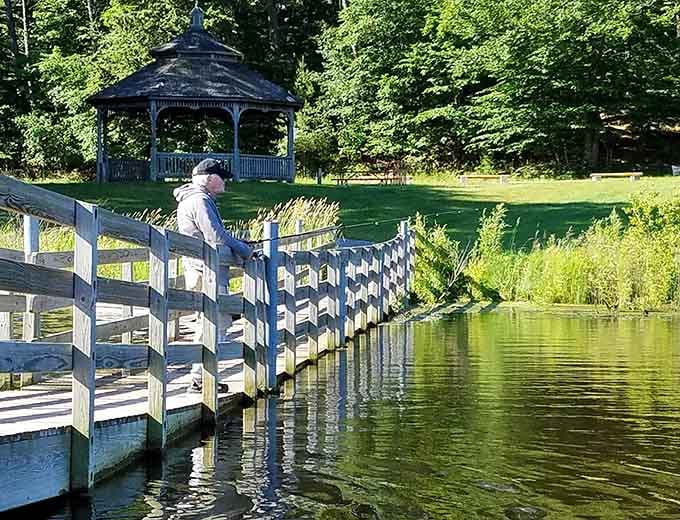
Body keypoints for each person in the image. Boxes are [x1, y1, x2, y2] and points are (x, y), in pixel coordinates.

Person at [173, 158, 254, 393]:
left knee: (210, 323)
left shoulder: (198, 198)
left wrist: (239, 249)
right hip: (206, 272)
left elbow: (216, 238)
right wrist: (245, 252)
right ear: (209, 178)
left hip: (204, 269)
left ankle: (202, 377)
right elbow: (216, 236)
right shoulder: (199, 200)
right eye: (222, 176)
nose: (226, 180)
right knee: (212, 324)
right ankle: (200, 379)